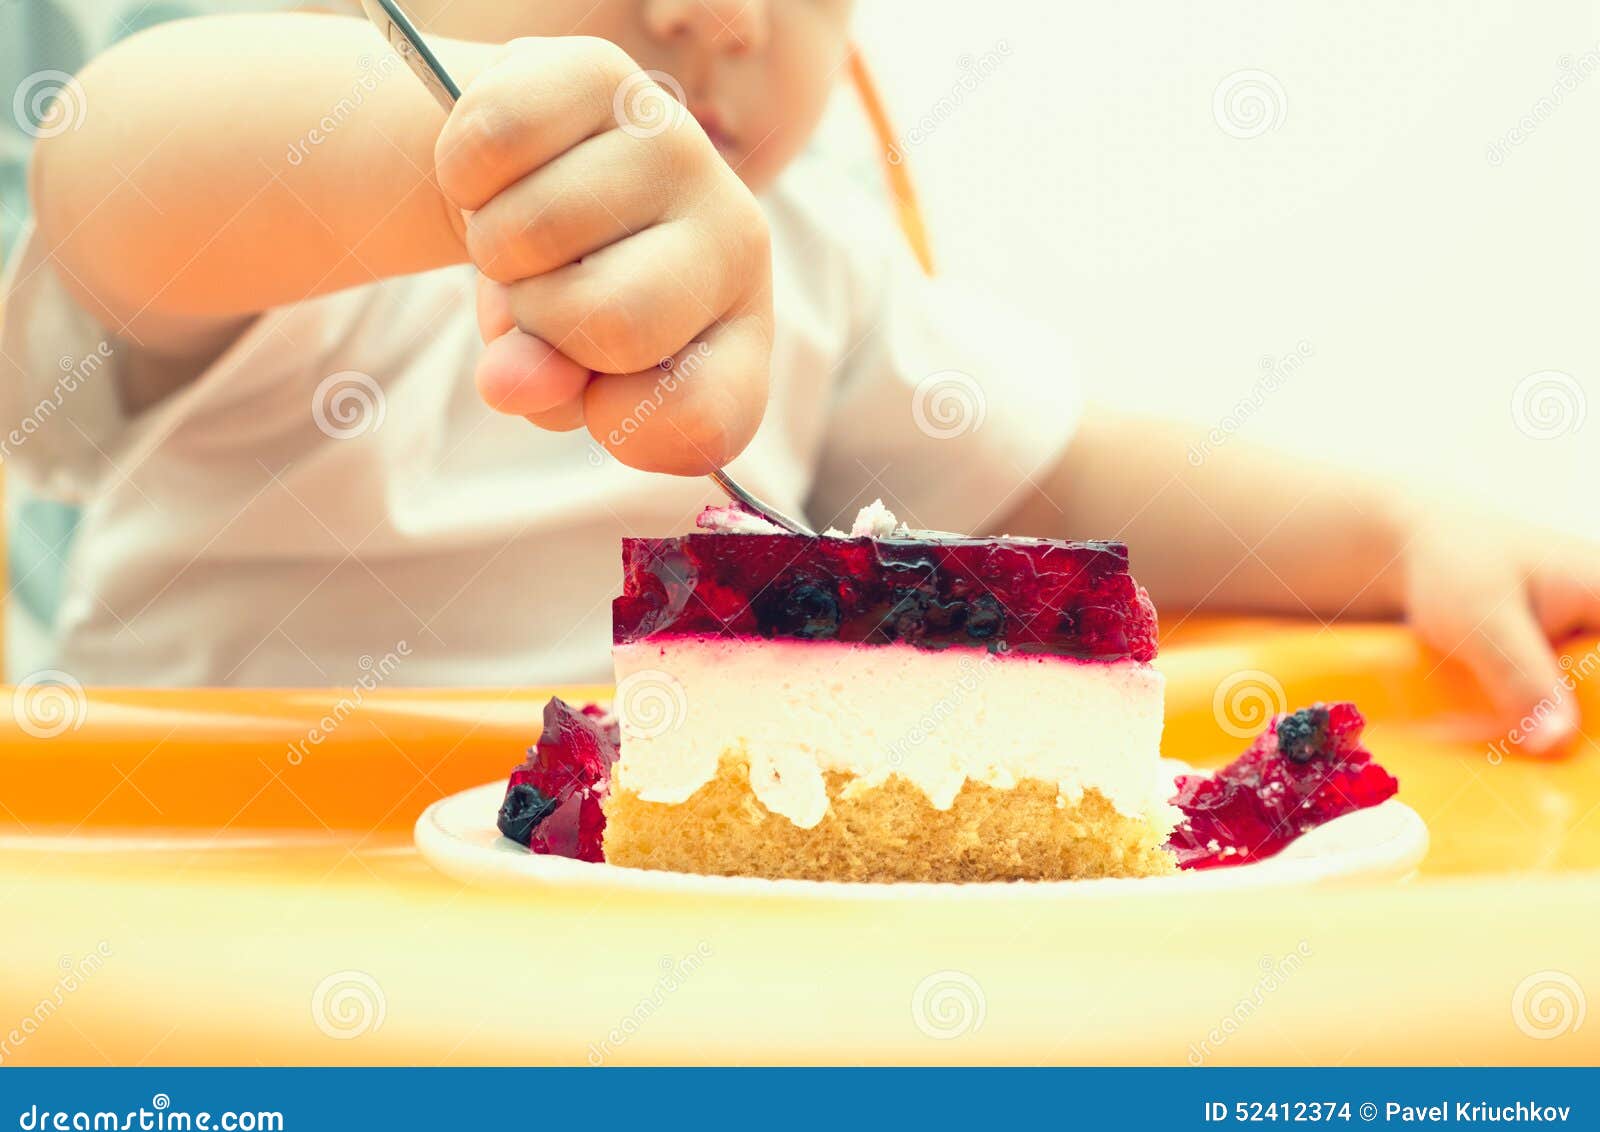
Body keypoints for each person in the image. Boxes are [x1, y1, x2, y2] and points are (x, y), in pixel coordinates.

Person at [4, 1, 1597, 751]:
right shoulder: (299, 199)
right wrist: (474, 141)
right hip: (219, 925)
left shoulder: (814, 247)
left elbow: (1062, 481)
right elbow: (114, 180)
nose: (722, 16)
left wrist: (1396, 533)